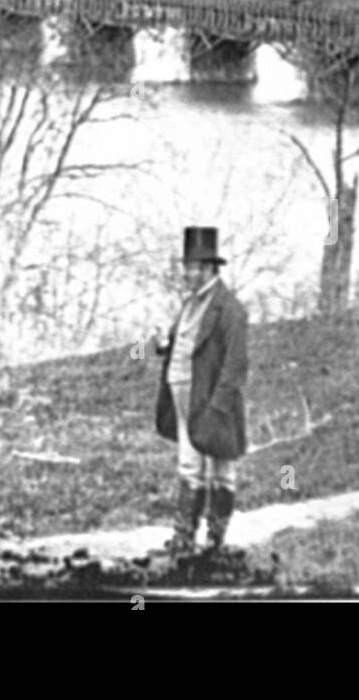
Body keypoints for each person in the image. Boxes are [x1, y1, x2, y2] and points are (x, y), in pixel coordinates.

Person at [153, 226, 249, 559]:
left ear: (209, 269)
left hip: (211, 400)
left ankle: (215, 541)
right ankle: (183, 538)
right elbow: (184, 341)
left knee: (222, 468)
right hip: (182, 395)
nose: (186, 273)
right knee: (189, 465)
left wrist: (217, 408)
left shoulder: (230, 308)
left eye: (192, 267)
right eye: (186, 266)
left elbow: (236, 364)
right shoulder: (190, 304)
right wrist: (164, 344)